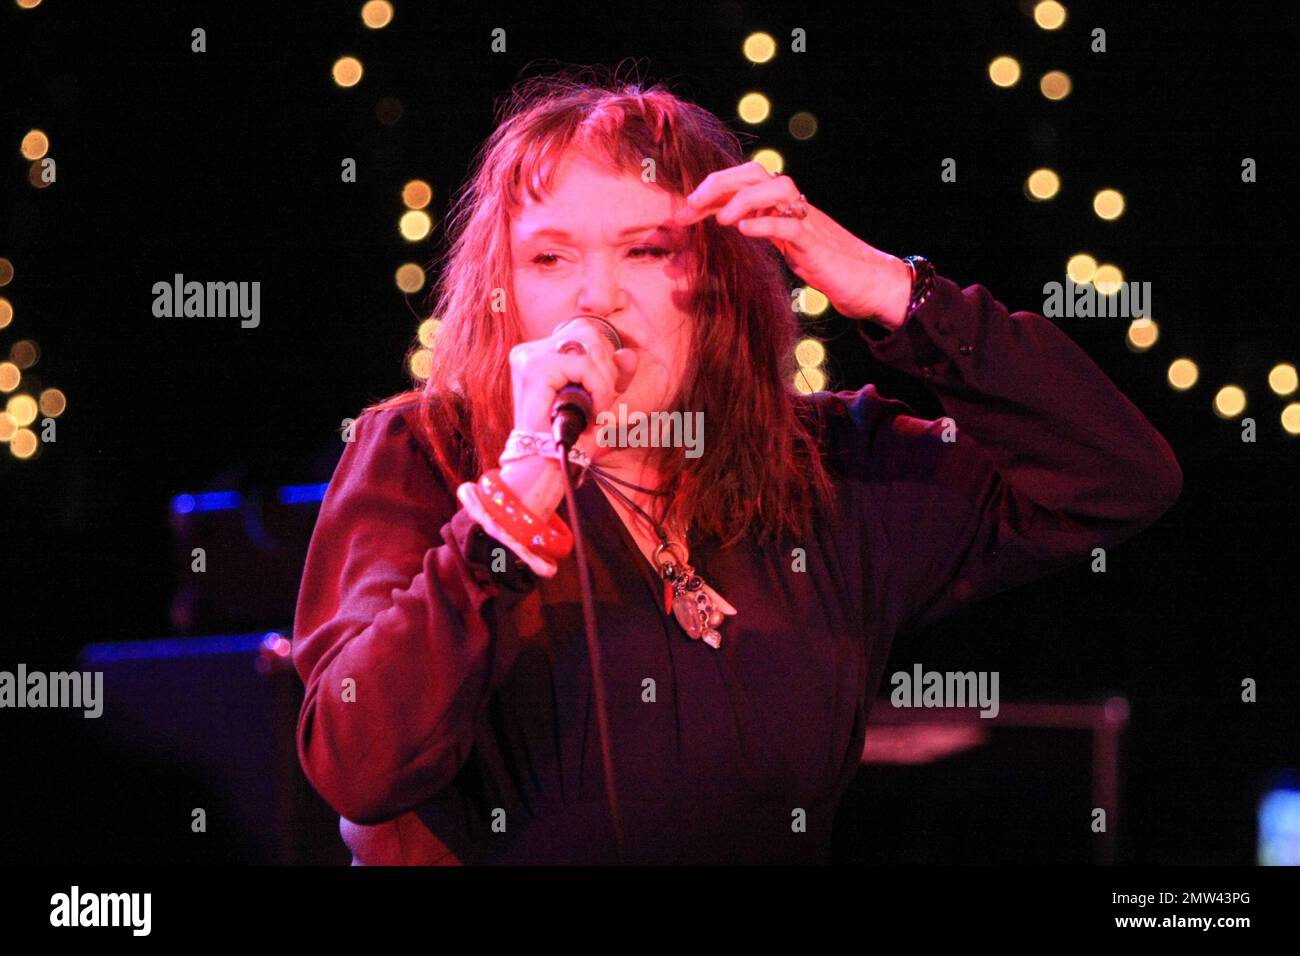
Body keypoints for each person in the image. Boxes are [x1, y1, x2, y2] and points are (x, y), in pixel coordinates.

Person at [290, 72, 1182, 865]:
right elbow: (357, 766)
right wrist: (519, 497)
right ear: (506, 290)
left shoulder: (832, 467)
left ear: (718, 279)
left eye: (646, 251)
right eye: (549, 258)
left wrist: (891, 290)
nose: (595, 297)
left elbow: (1118, 477)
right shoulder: (424, 454)